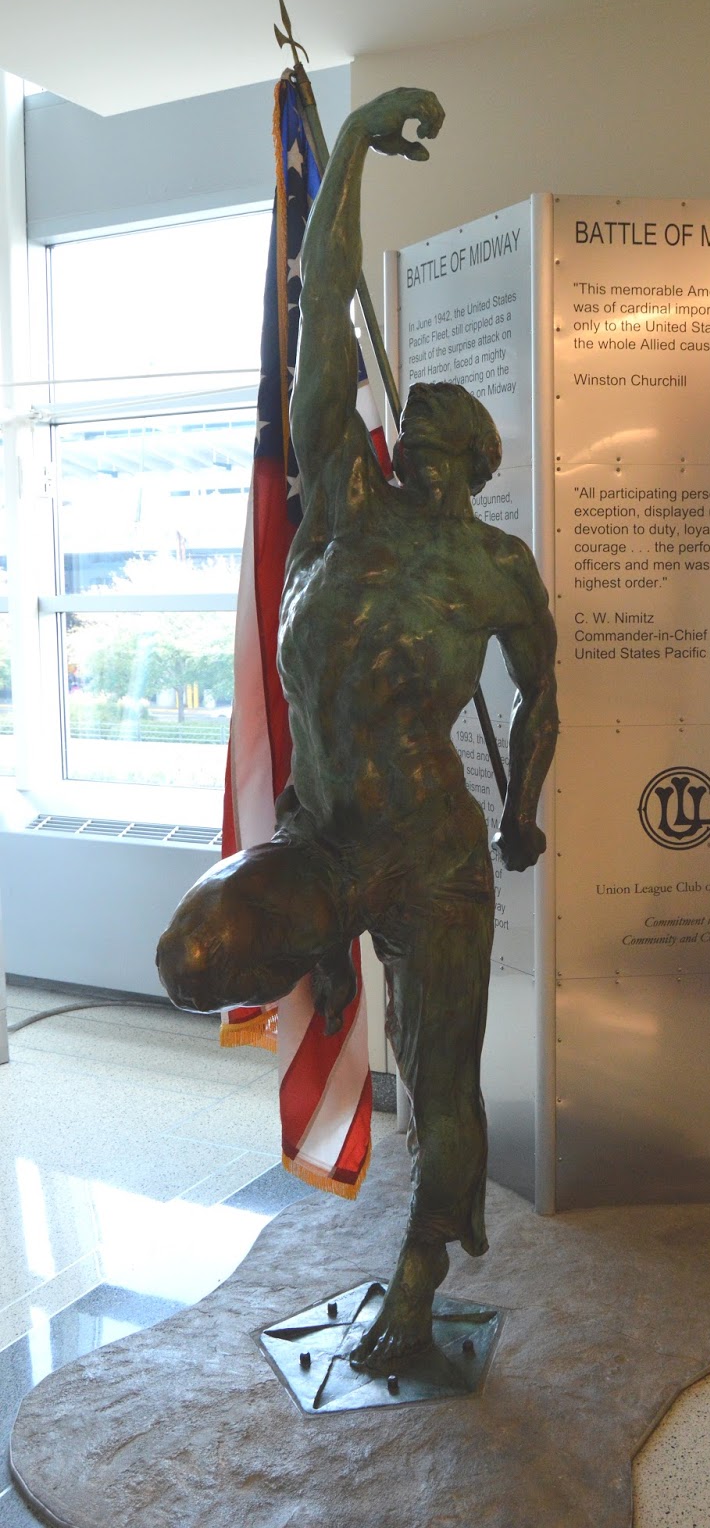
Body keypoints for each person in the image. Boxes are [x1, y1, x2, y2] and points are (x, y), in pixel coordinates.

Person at [157, 88, 558, 1368]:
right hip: (326, 838)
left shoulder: (497, 568)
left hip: (432, 856)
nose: (417, 424)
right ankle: (395, 1211)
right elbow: (319, 306)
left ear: (458, 452)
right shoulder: (333, 502)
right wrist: (353, 155)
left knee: (443, 1076)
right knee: (198, 951)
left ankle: (420, 1274)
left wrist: (519, 812)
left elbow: (539, 692)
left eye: (433, 423)